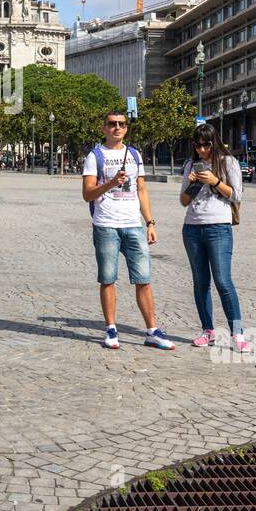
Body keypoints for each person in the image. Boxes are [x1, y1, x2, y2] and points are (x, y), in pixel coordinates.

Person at [81, 109, 173, 351]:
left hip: (133, 224)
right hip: (106, 225)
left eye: (121, 124)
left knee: (143, 278)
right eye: (112, 124)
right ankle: (111, 329)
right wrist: (111, 183)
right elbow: (87, 193)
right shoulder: (95, 156)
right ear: (104, 128)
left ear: (126, 128)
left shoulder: (134, 154)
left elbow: (141, 190)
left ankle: (152, 330)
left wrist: (150, 222)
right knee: (108, 278)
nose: (117, 128)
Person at [180, 123, 250, 353]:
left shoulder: (228, 162)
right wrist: (191, 183)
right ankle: (207, 330)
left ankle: (237, 332)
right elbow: (183, 201)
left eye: (206, 145)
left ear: (214, 142)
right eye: (198, 145)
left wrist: (215, 181)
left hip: (218, 228)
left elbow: (237, 195)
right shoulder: (191, 164)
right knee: (200, 283)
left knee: (223, 281)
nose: (201, 150)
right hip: (192, 228)